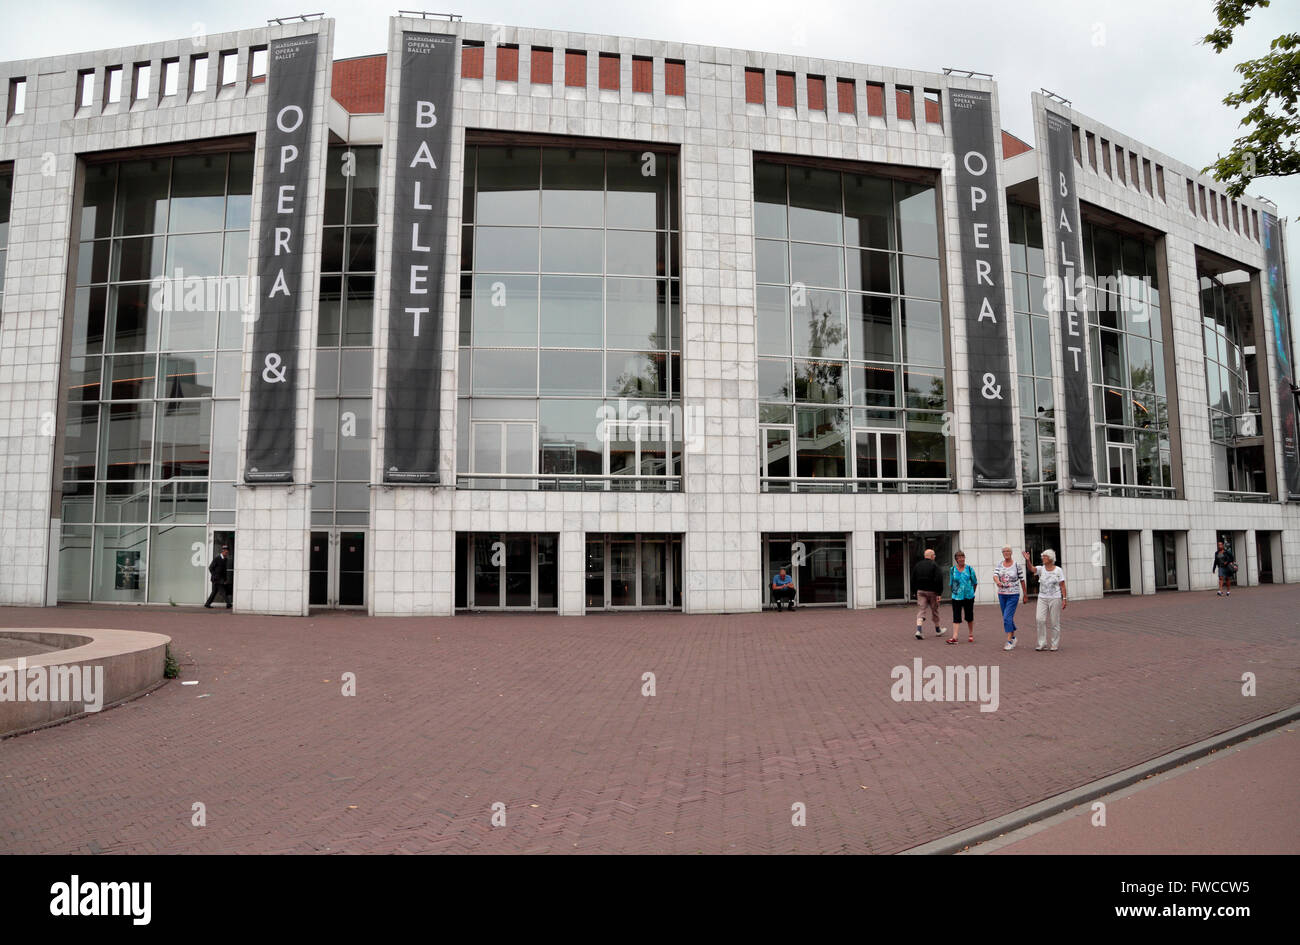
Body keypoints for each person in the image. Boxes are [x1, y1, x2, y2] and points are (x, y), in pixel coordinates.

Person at [1023, 549, 1066, 651]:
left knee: (1054, 622)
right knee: (1040, 619)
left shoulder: (1058, 570)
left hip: (1055, 598)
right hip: (1042, 598)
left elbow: (1063, 586)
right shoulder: (1041, 569)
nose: (1043, 558)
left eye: (1045, 556)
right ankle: (1042, 643)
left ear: (1051, 558)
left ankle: (1054, 644)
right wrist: (1028, 560)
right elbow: (1032, 569)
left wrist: (1064, 599)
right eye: (1043, 556)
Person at [993, 546, 1028, 651]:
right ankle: (1013, 637)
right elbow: (995, 575)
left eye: (1008, 551)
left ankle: (1009, 641)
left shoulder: (1017, 565)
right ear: (1002, 553)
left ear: (1011, 553)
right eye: (1004, 551)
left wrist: (1025, 595)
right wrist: (998, 581)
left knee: (1007, 617)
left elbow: (1022, 580)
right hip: (1002, 594)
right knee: (1006, 617)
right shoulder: (1000, 564)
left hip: (1013, 594)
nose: (1006, 553)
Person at [911, 548, 945, 640]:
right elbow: (939, 579)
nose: (935, 556)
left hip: (920, 591)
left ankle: (919, 630)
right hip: (932, 591)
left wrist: (914, 591)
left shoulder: (918, 565)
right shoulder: (935, 565)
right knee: (935, 610)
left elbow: (913, 579)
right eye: (934, 555)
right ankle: (938, 630)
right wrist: (939, 593)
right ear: (931, 556)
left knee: (921, 610)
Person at [947, 551, 977, 644]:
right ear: (956, 559)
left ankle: (971, 634)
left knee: (969, 616)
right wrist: (954, 592)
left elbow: (975, 582)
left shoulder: (969, 569)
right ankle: (955, 637)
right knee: (956, 616)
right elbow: (951, 583)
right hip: (956, 597)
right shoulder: (952, 570)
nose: (961, 559)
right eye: (959, 557)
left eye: (963, 557)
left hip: (968, 596)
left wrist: (971, 592)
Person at [205, 544, 232, 609]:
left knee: (214, 592)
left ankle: (207, 604)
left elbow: (224, 571)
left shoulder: (225, 559)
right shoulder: (217, 558)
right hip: (216, 579)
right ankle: (228, 604)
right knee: (223, 591)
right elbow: (210, 568)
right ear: (222, 551)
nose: (226, 553)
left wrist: (225, 579)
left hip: (221, 579)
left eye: (227, 552)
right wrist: (215, 576)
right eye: (225, 552)